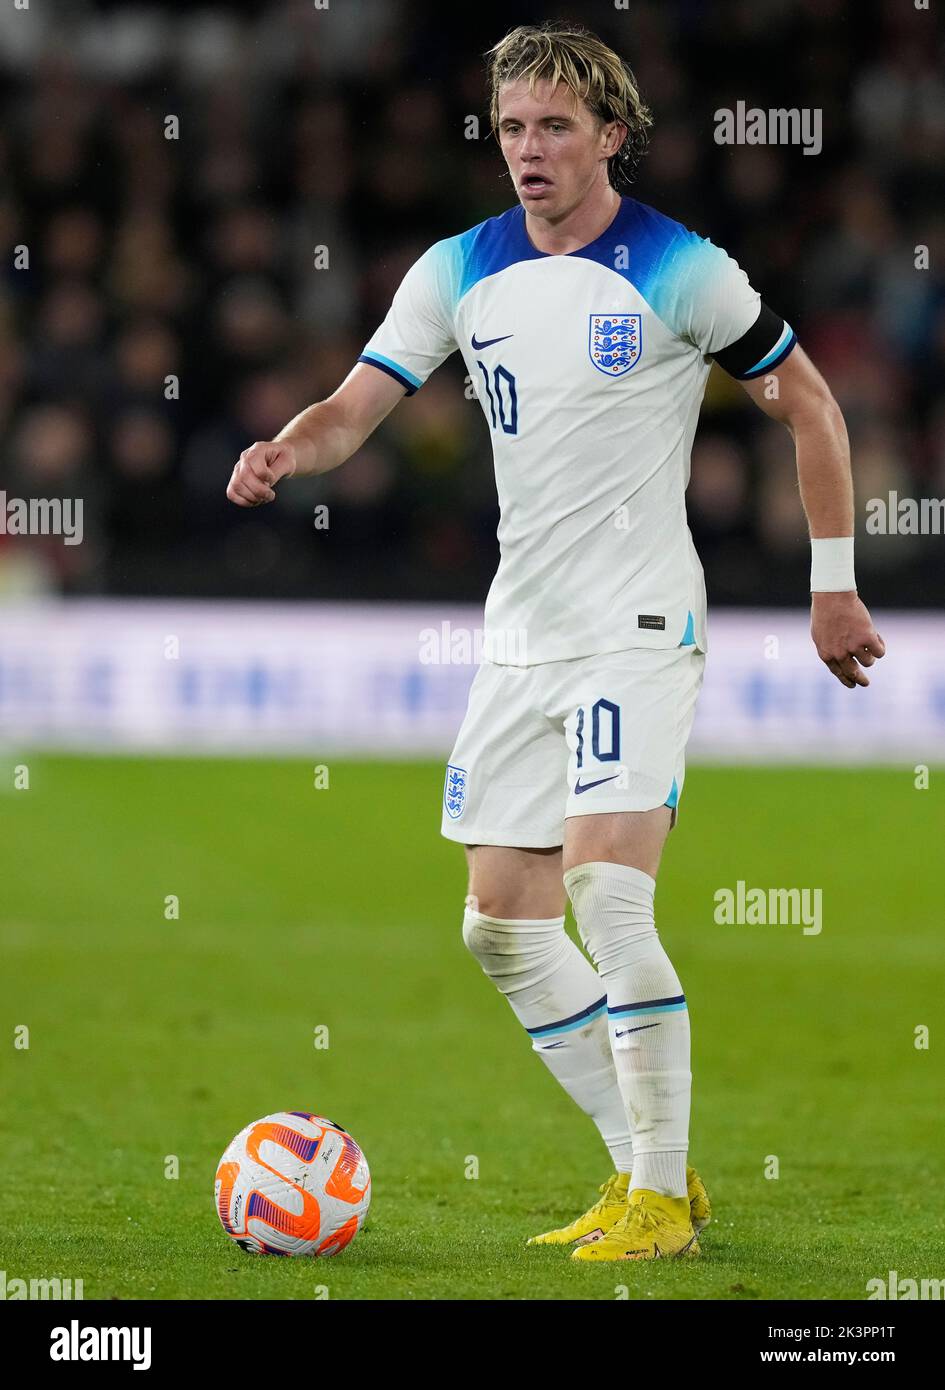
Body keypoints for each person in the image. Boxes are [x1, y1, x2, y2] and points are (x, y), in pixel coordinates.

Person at [226, 22, 885, 1261]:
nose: (528, 150)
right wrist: (286, 449)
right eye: (512, 128)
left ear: (611, 136)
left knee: (606, 895)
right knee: (501, 922)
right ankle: (655, 1178)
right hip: (518, 637)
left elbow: (810, 405)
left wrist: (832, 584)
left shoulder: (682, 268)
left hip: (636, 626)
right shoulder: (458, 268)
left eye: (555, 129)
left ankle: (657, 1195)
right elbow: (354, 407)